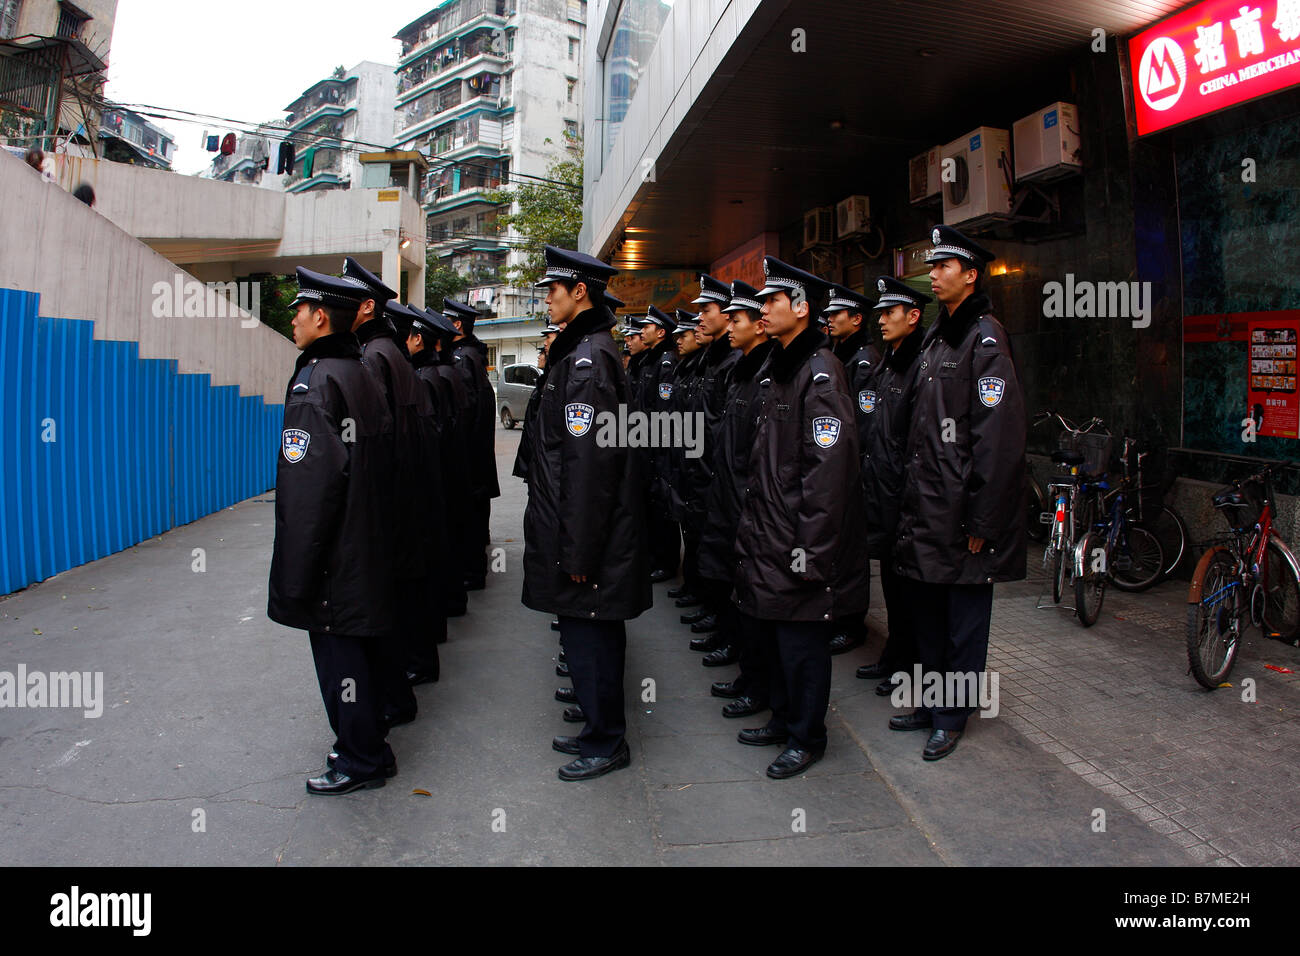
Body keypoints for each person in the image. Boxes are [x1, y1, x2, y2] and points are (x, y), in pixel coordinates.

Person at [891, 225, 1026, 761]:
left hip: (963, 514)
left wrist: (982, 520)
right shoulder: (936, 337)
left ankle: (952, 716)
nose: (936, 272)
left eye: (946, 265)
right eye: (934, 264)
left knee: (963, 621)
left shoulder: (985, 338)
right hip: (927, 507)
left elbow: (998, 438)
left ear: (971, 275)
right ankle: (930, 702)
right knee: (928, 614)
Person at [732, 256, 870, 779]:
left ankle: (807, 736)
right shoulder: (781, 366)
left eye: (772, 301)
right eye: (763, 302)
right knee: (774, 635)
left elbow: (828, 471)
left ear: (803, 309)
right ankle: (784, 717)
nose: (763, 309)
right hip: (769, 533)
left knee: (803, 642)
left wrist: (810, 550)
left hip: (798, 540)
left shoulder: (820, 372)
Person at [267, 267, 396, 795]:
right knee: (362, 654)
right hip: (365, 542)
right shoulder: (359, 371)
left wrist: (296, 572)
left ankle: (360, 759)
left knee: (340, 660)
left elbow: (307, 491)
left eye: (298, 311)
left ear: (320, 317)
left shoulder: (315, 381)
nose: (292, 319)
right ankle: (369, 747)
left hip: (334, 555)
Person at [523, 245, 650, 780]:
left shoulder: (586, 361)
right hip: (576, 527)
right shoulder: (582, 352)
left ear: (580, 293)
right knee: (585, 632)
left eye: (553, 289)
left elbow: (590, 466)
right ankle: (597, 725)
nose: (546, 299)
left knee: (592, 631)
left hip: (586, 534)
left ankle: (606, 741)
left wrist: (577, 548)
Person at [341, 258, 446, 704]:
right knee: (410, 583)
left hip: (394, 492)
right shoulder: (390, 353)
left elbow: (375, 436)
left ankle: (402, 681)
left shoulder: (375, 356)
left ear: (365, 307)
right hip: (411, 488)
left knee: (395, 590)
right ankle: (413, 667)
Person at [698, 280, 775, 717]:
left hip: (751, 510)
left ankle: (758, 685)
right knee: (735, 595)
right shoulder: (742, 370)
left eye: (736, 319)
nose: (729, 326)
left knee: (755, 604)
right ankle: (749, 677)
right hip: (728, 500)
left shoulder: (764, 374)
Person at [855, 277, 931, 696]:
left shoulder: (920, 364)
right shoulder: (890, 361)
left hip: (906, 499)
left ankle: (909, 668)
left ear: (913, 316)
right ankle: (894, 658)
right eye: (880, 313)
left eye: (890, 313)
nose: (881, 321)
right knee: (893, 589)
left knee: (910, 596)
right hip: (882, 493)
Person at [821, 284, 881, 656]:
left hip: (855, 471)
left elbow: (864, 424)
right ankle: (838, 613)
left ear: (856, 320)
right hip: (838, 472)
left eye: (835, 315)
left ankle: (851, 622)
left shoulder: (864, 360)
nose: (829, 321)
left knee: (851, 554)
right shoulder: (838, 354)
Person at [685, 275, 742, 665]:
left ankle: (730, 635)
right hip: (705, 476)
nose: (699, 319)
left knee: (728, 564)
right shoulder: (713, 356)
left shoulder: (733, 360)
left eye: (706, 311)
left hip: (720, 480)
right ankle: (721, 623)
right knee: (713, 557)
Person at [443, 297, 500, 592]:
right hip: (475, 458)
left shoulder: (462, 359)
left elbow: (463, 413)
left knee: (468, 519)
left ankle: (472, 574)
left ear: (456, 325)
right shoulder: (470, 355)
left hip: (468, 458)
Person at [638, 307, 681, 585]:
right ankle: (655, 558)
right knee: (652, 507)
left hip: (657, 446)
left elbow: (663, 412)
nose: (642, 331)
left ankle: (666, 563)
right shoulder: (649, 360)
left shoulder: (665, 362)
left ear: (661, 332)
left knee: (663, 508)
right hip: (644, 443)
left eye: (647, 327)